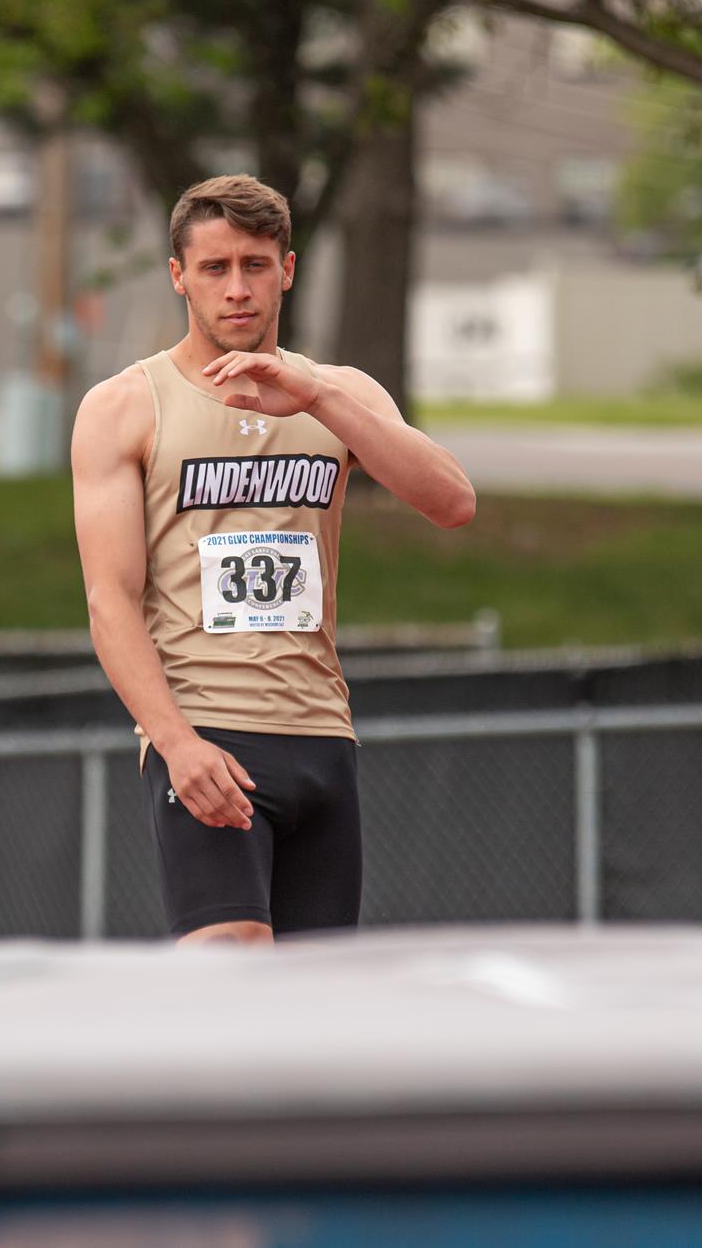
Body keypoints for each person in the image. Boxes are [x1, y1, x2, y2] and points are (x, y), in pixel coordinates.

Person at [70, 174, 475, 946]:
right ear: (178, 276)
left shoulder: (339, 393)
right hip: (209, 729)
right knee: (230, 963)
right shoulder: (126, 405)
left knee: (309, 1012)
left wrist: (317, 397)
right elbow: (109, 601)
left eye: (255, 266)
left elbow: (452, 501)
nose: (237, 290)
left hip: (322, 733)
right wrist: (176, 742)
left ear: (287, 270)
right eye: (215, 268)